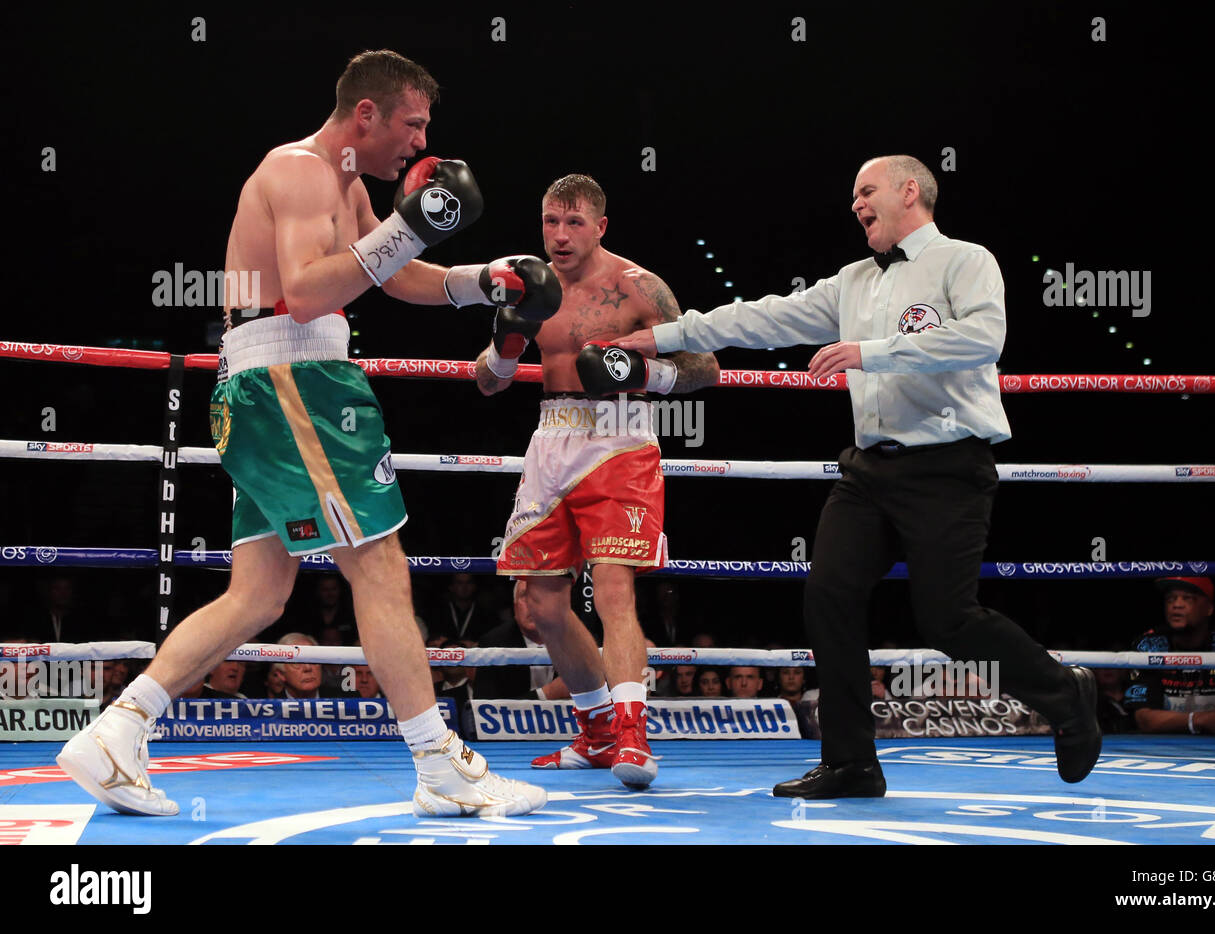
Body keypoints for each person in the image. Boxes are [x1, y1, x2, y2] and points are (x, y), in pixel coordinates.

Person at [56, 49, 558, 819]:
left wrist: (480, 280)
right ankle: (438, 763)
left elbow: (387, 275)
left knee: (260, 590)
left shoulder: (348, 184)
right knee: (381, 564)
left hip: (269, 387)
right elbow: (304, 291)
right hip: (293, 381)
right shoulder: (299, 171)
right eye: (413, 124)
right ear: (368, 114)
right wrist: (407, 227)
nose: (420, 145)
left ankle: (118, 731)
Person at [617, 154, 1102, 798]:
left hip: (948, 465)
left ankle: (1065, 693)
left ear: (910, 192)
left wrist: (870, 352)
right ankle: (851, 762)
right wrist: (666, 335)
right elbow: (764, 316)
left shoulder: (965, 260)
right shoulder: (853, 281)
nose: (855, 204)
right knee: (828, 598)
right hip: (868, 469)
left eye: (865, 191)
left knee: (947, 618)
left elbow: (984, 339)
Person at [474, 174, 719, 789]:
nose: (559, 235)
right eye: (551, 222)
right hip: (550, 436)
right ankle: (597, 731)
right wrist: (506, 348)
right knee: (543, 606)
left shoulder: (639, 287)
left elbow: (705, 368)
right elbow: (489, 382)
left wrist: (644, 373)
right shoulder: (530, 287)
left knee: (612, 587)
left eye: (574, 223)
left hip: (620, 440)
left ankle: (635, 734)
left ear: (600, 226)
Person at [1124, 577, 1215, 736]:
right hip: (1164, 748)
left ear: (1209, 608)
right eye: (1170, 599)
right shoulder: (1148, 645)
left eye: (1187, 598)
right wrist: (1202, 720)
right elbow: (1144, 719)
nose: (1176, 604)